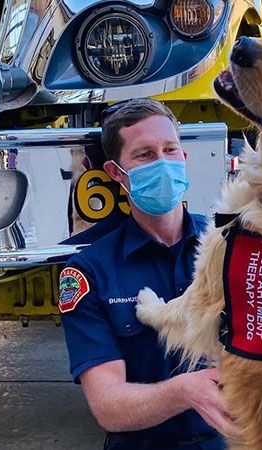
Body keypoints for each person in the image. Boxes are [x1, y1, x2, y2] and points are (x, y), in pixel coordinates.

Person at [59, 98, 233, 450]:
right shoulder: (89, 271)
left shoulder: (228, 245)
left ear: (184, 159)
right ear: (116, 173)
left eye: (170, 149)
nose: (163, 163)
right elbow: (110, 408)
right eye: (144, 155)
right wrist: (186, 391)